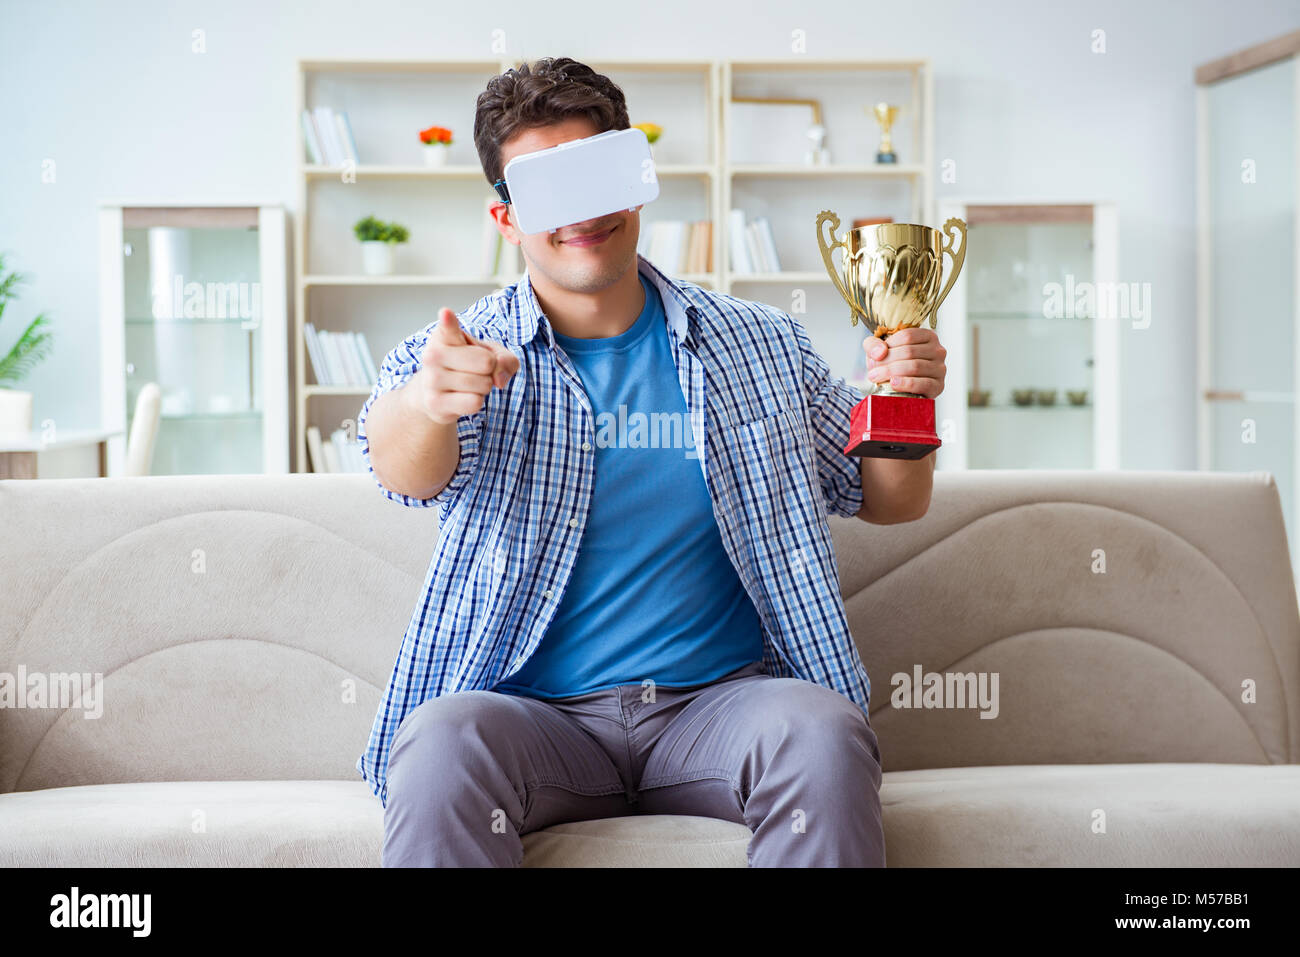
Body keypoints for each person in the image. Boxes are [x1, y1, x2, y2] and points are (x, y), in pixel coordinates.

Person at [358, 56, 947, 867]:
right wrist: (428, 402)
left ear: (635, 181)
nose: (580, 216)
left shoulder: (762, 344)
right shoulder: (458, 352)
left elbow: (889, 499)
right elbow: (400, 469)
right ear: (505, 219)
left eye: (595, 179)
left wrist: (907, 399)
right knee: (442, 739)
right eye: (546, 193)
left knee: (819, 732)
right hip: (537, 720)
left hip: (719, 709)